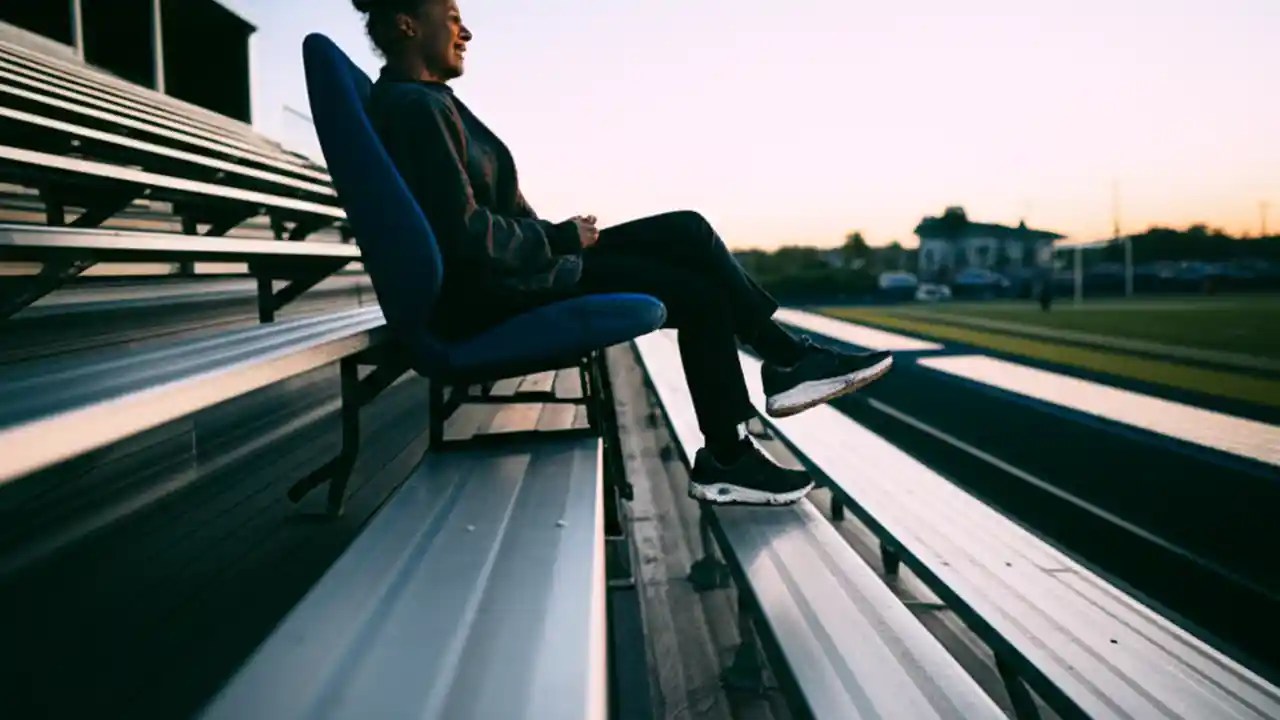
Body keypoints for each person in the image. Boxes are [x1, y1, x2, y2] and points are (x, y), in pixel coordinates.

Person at [354, 0, 894, 506]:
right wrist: (561, 239)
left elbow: (491, 219)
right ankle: (756, 409)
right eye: (451, 16)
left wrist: (558, 237)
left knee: (689, 233)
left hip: (523, 269)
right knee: (698, 285)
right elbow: (464, 236)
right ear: (407, 24)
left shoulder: (431, 103)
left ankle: (773, 382)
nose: (465, 31)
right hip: (498, 291)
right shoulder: (414, 109)